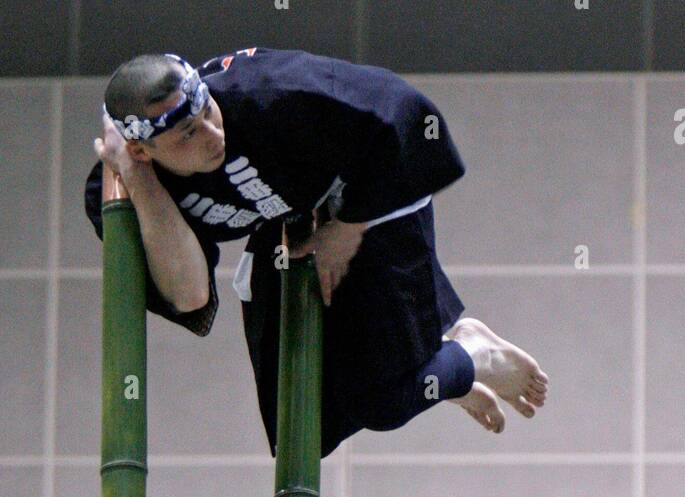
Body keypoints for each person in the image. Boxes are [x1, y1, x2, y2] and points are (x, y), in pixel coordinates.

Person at [84, 47, 549, 458]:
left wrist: (346, 229)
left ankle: (472, 355)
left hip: (369, 189)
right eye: (188, 133)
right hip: (290, 217)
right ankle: (439, 369)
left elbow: (410, 116)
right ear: (142, 151)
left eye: (208, 109)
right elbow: (188, 295)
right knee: (306, 428)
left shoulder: (273, 90)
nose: (213, 134)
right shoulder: (125, 192)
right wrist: (138, 180)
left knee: (383, 401)